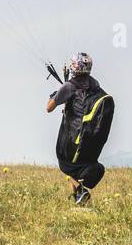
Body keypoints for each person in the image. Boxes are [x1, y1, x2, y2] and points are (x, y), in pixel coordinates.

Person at [46, 52, 115, 205]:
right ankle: (79, 199)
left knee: (65, 165)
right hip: (87, 142)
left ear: (73, 67)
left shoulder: (69, 86)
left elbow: (49, 108)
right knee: (76, 167)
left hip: (72, 140)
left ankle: (80, 190)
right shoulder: (95, 85)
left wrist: (55, 94)